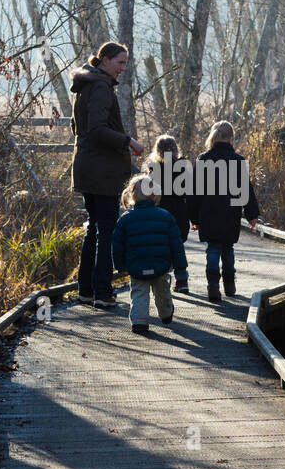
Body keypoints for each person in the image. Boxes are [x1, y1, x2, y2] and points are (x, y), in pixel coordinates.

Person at [70, 42, 144, 308]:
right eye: (120, 63)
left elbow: (78, 128)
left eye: (125, 63)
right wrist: (128, 141)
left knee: (94, 229)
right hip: (101, 172)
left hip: (87, 168)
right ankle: (102, 292)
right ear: (104, 60)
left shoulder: (86, 87)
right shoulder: (101, 88)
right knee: (106, 231)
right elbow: (97, 129)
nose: (122, 69)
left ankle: (86, 289)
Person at [189, 120, 259, 302]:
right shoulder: (238, 161)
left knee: (212, 249)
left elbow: (194, 193)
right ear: (231, 139)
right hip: (230, 214)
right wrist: (252, 215)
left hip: (208, 214)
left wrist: (193, 217)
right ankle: (229, 284)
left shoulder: (203, 160)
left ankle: (213, 285)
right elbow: (246, 190)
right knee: (227, 249)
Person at [111, 174, 188, 335]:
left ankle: (139, 322)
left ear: (132, 196)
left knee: (139, 294)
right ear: (155, 195)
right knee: (162, 291)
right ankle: (166, 313)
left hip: (136, 266)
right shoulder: (165, 216)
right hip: (160, 265)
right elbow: (176, 244)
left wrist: (120, 266)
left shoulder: (125, 220)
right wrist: (180, 267)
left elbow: (117, 245)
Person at [143, 134, 192, 293]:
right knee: (177, 247)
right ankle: (182, 278)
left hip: (159, 213)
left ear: (157, 150)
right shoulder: (183, 167)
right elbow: (190, 193)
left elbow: (148, 193)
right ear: (176, 150)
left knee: (161, 247)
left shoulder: (152, 169)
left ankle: (162, 277)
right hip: (179, 213)